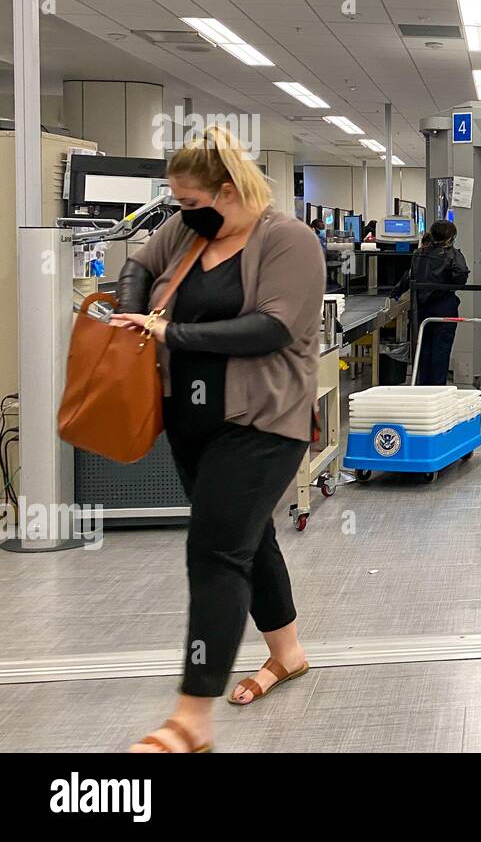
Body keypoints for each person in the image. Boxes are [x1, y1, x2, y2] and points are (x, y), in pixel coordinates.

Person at [108, 127, 324, 753]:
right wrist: (131, 315)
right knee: (246, 538)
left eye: (190, 201)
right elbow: (138, 264)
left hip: (263, 420)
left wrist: (167, 331)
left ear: (227, 192)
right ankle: (287, 653)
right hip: (191, 419)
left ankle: (191, 719)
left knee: (213, 553)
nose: (180, 213)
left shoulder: (287, 240)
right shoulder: (185, 232)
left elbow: (271, 328)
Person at [392, 220, 469, 386]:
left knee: (422, 347)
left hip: (420, 308)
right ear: (452, 236)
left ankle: (422, 386)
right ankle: (438, 388)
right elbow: (461, 275)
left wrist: (394, 295)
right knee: (441, 350)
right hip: (444, 307)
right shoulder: (452, 254)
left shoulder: (419, 253)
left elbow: (408, 277)